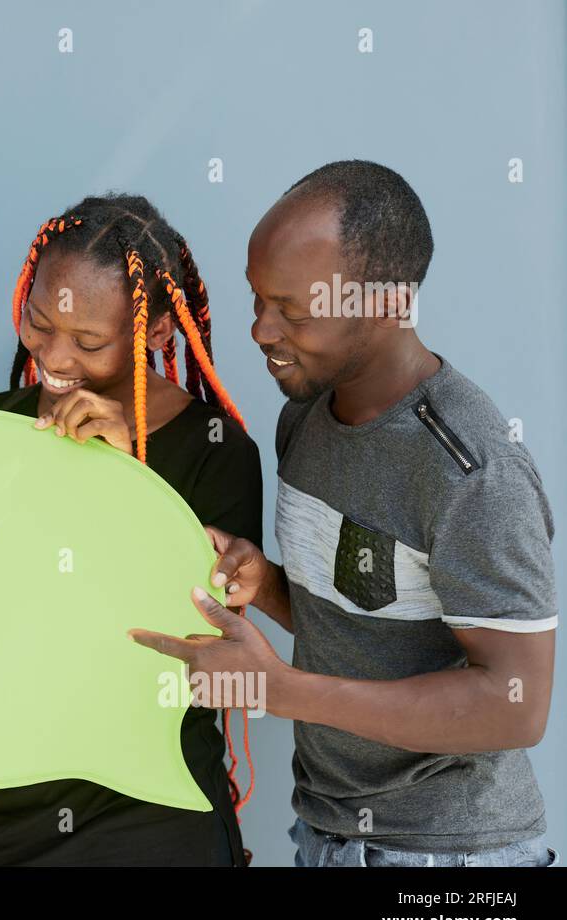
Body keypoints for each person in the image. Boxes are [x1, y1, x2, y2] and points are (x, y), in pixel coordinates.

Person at [133, 160, 558, 866]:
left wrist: (285, 691)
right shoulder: (306, 416)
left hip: (448, 859)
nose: (261, 331)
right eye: (257, 299)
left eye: (293, 311)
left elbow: (515, 705)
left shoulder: (470, 469)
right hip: (325, 836)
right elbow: (369, 624)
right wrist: (264, 583)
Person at [0, 193, 262, 866]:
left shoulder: (216, 450)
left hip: (152, 807)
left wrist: (125, 479)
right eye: (39, 324)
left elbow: (200, 644)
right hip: (6, 801)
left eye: (89, 341)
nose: (54, 358)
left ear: (155, 334)